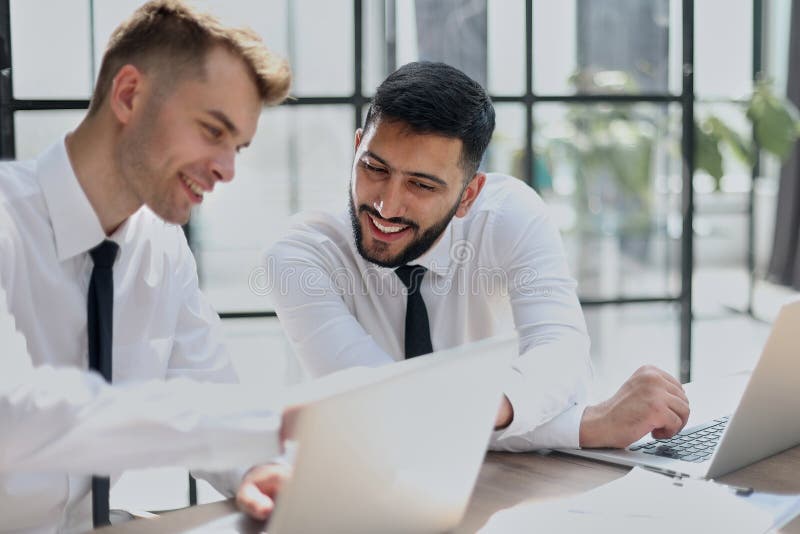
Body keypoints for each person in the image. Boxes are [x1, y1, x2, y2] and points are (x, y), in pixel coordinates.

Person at [266, 61, 690, 453]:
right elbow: (385, 411)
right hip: (359, 484)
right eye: (375, 168)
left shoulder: (508, 214)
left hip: (500, 487)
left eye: (421, 185)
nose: (387, 206)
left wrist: (493, 407)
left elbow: (561, 354)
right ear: (358, 148)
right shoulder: (301, 256)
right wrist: (586, 426)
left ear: (468, 195)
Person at [0, 1, 292, 531]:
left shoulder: (162, 246)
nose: (227, 170)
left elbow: (210, 390)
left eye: (238, 148)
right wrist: (215, 425)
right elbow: (16, 413)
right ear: (130, 95)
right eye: (212, 131)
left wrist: (258, 465)